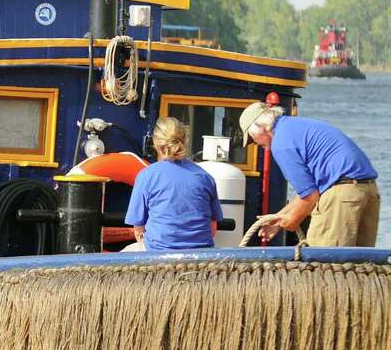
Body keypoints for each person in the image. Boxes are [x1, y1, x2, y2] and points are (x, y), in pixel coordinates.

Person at [241, 102, 380, 246]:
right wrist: (278, 219)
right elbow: (308, 191)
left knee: (325, 262)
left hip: (342, 196)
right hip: (368, 190)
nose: (255, 144)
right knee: (362, 263)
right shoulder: (296, 127)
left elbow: (310, 196)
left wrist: (293, 220)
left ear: (262, 128)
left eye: (252, 139)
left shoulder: (281, 144)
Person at [123, 116, 221, 252]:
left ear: (156, 143)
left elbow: (138, 230)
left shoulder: (146, 176)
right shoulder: (205, 177)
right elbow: (212, 228)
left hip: (158, 252)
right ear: (185, 140)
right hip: (201, 253)